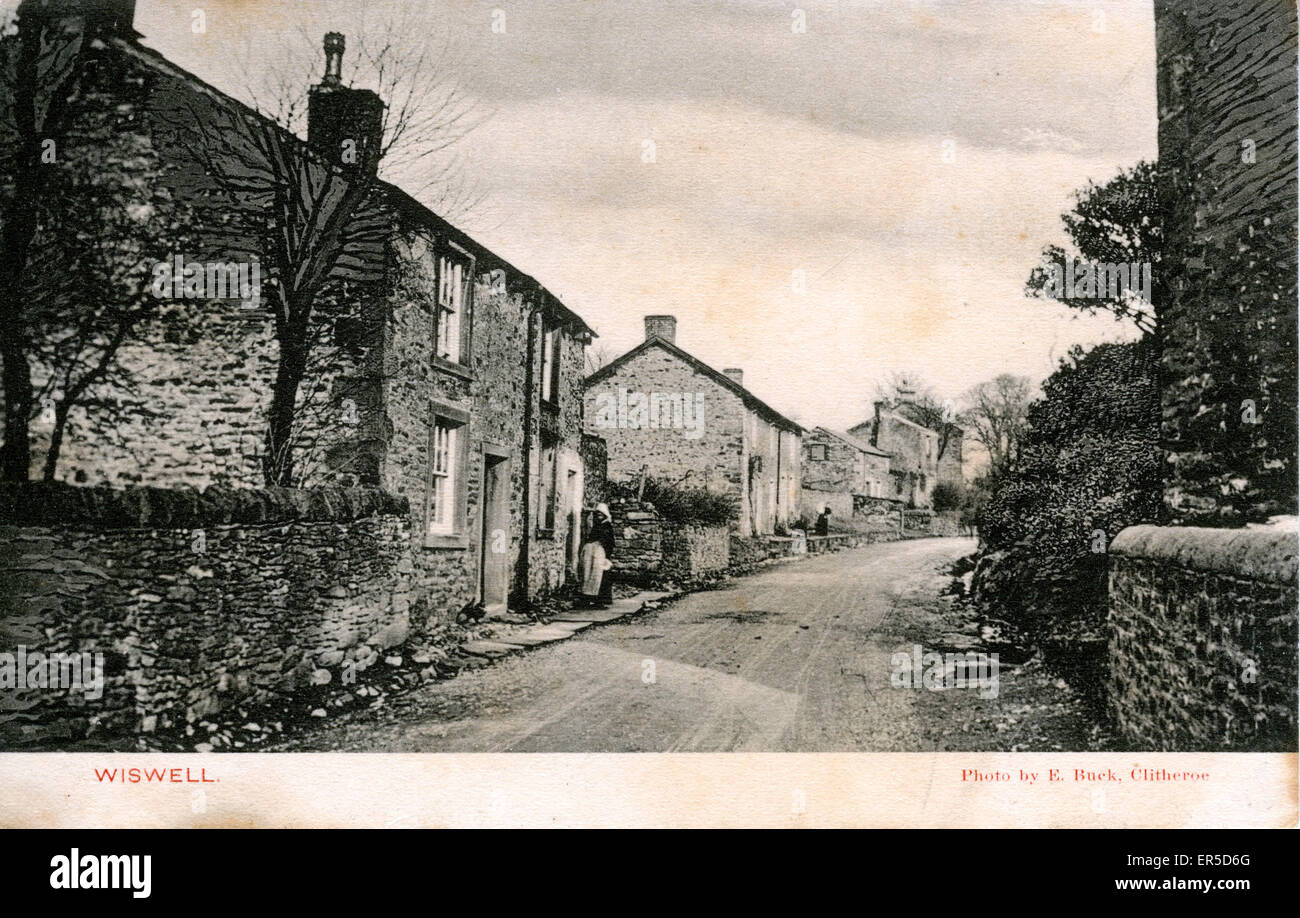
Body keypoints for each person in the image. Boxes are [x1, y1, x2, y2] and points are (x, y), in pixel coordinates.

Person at [578, 503, 616, 608]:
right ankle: (587, 598)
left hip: (600, 554)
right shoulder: (596, 525)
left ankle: (600, 601)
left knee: (600, 575)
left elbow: (609, 542)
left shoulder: (607, 526)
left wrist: (607, 555)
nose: (599, 516)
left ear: (605, 515)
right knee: (588, 575)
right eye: (597, 514)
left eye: (601, 514)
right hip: (591, 554)